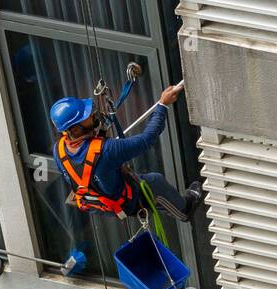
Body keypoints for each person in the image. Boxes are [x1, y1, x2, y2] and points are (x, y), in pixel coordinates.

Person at [49, 85, 200, 221]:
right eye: (87, 116)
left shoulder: (59, 149)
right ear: (75, 129)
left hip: (96, 200)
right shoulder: (107, 150)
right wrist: (162, 105)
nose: (92, 114)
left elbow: (82, 165)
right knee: (155, 181)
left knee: (136, 180)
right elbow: (146, 139)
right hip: (123, 201)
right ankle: (184, 210)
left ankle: (160, 202)